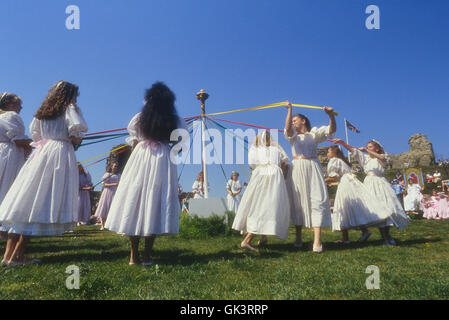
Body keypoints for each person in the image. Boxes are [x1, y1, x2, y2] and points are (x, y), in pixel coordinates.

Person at [0, 81, 87, 266]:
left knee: (26, 200)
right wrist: (73, 140)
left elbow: (36, 136)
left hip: (42, 153)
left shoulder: (42, 113)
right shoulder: (70, 109)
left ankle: (9, 256)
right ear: (69, 95)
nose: (76, 99)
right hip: (59, 154)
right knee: (39, 203)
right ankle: (18, 256)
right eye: (75, 95)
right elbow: (76, 135)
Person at [105, 82, 183, 266]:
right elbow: (180, 147)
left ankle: (133, 256)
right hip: (162, 158)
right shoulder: (175, 120)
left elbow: (133, 140)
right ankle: (147, 255)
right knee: (155, 202)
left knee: (135, 199)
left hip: (140, 156)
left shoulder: (139, 118)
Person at [284, 101, 336, 253]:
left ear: (303, 121)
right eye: (292, 120)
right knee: (297, 200)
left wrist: (331, 116)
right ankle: (298, 237)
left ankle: (317, 241)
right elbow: (287, 128)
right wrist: (290, 110)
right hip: (297, 168)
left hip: (313, 167)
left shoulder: (314, 134)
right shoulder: (293, 136)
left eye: (295, 120)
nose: (292, 122)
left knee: (317, 199)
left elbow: (331, 130)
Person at [340, 140, 410, 245]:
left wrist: (367, 151)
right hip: (369, 183)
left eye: (370, 147)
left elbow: (383, 158)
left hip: (380, 183)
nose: (368, 148)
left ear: (376, 148)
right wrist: (342, 143)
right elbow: (354, 151)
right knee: (376, 210)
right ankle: (384, 237)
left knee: (386, 208)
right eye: (367, 147)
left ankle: (386, 236)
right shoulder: (366, 159)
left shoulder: (382, 157)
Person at [232, 131, 291, 251]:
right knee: (268, 206)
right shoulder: (277, 147)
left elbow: (252, 165)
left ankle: (263, 237)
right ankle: (247, 240)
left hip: (259, 176)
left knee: (259, 204)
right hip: (274, 176)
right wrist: (281, 174)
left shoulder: (255, 149)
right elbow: (284, 163)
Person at [325, 145, 389, 244]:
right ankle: (363, 231)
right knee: (353, 207)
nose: (327, 154)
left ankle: (346, 238)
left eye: (329, 152)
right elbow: (343, 177)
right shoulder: (344, 162)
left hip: (346, 185)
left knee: (343, 207)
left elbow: (333, 176)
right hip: (352, 184)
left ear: (335, 153)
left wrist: (323, 180)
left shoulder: (334, 160)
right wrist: (332, 183)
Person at [0, 93, 32, 239]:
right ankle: (4, 226)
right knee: (8, 186)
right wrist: (38, 144)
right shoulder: (11, 116)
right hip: (9, 155)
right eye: (19, 104)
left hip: (4, 152)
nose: (20, 108)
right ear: (8, 103)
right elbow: (18, 139)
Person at [94, 162, 120, 230]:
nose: (116, 167)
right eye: (115, 166)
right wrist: (114, 184)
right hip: (107, 192)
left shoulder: (118, 175)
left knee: (113, 208)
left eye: (117, 166)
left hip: (115, 192)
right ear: (111, 167)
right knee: (104, 208)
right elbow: (104, 184)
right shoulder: (107, 174)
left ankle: (111, 225)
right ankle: (102, 225)